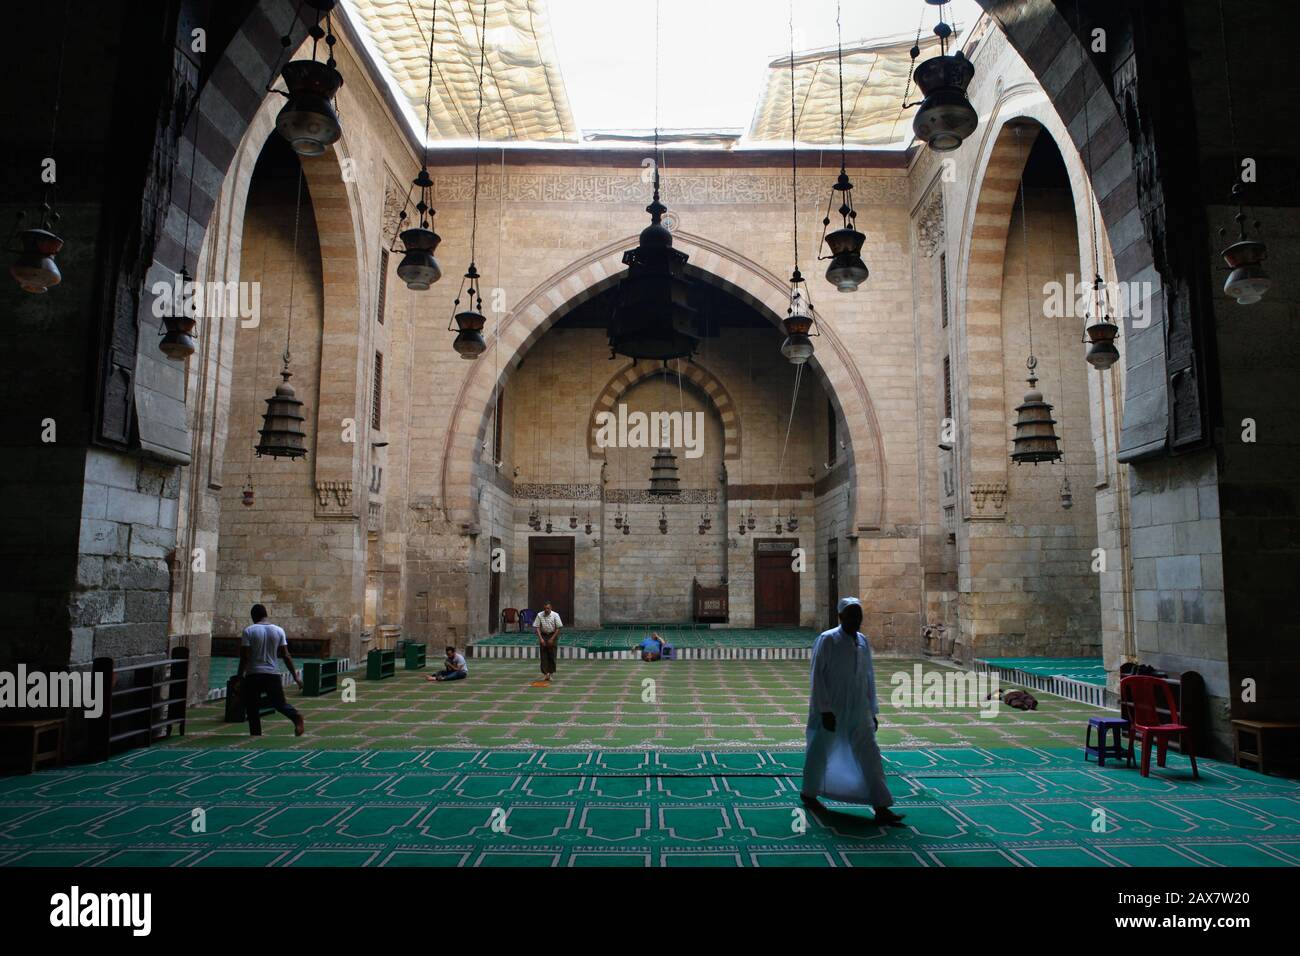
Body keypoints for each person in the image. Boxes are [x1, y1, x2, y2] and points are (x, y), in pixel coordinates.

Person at [800, 597, 905, 826]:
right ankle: (808, 793)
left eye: (859, 616)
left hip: (859, 709)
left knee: (871, 755)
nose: (856, 620)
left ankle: (881, 806)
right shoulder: (827, 640)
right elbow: (817, 677)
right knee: (820, 750)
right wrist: (824, 710)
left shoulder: (863, 642)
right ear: (841, 617)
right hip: (832, 708)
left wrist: (872, 710)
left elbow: (868, 677)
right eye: (851, 616)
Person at [237, 604, 305, 737]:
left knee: (252, 707)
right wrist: (295, 676)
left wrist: (240, 676)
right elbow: (286, 655)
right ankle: (295, 717)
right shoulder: (278, 630)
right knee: (279, 703)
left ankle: (255, 734)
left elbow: (245, 656)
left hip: (254, 674)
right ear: (266, 615)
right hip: (272, 674)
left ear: (253, 616)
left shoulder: (249, 631)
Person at [534, 600, 562, 681]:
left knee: (552, 655)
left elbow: (558, 628)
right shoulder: (539, 615)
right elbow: (537, 627)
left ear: (551, 608)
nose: (546, 610)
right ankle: (546, 674)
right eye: (545, 608)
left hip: (552, 635)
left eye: (548, 608)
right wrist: (541, 639)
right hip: (543, 635)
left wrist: (552, 639)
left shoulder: (555, 615)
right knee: (543, 655)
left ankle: (551, 673)